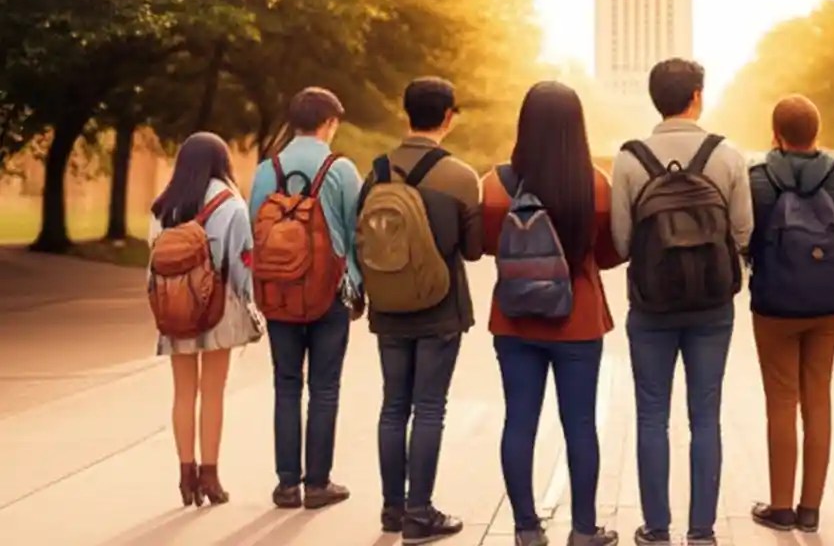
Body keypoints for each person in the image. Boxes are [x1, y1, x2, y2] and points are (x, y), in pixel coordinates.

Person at [611, 59, 753, 546]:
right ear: (697, 96)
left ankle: (655, 528)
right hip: (712, 307)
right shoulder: (727, 156)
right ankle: (702, 531)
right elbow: (743, 232)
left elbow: (623, 242)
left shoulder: (630, 159)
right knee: (704, 416)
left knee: (651, 415)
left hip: (651, 307)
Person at [482, 81, 626, 546]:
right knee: (580, 424)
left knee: (518, 420)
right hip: (577, 321)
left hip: (514, 319)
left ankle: (526, 528)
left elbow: (488, 246)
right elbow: (608, 253)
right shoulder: (596, 185)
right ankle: (584, 530)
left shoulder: (495, 185)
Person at [356, 77, 483, 542]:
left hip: (388, 307)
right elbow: (473, 252)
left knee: (394, 405)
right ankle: (420, 512)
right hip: (439, 308)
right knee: (430, 407)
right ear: (448, 116)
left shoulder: (377, 172)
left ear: (404, 112)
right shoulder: (461, 177)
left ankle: (392, 509)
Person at [249, 87, 364, 510]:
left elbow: (254, 231)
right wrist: (358, 282)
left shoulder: (267, 170)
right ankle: (318, 484)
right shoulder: (341, 169)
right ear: (329, 122)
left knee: (286, 385)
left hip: (279, 292)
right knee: (324, 387)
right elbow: (356, 231)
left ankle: (285, 485)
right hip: (329, 293)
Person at [746, 95, 834, 534]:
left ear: (775, 133)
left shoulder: (759, 176)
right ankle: (810, 508)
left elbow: (748, 238)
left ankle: (780, 507)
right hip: (827, 300)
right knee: (818, 398)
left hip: (775, 302)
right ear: (817, 132)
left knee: (781, 402)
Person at [149, 132, 265, 507]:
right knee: (212, 392)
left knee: (183, 393)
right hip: (219, 308)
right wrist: (250, 304)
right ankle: (211, 478)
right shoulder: (230, 204)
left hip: (175, 308)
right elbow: (244, 263)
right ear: (222, 163)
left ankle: (185, 477)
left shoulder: (162, 208)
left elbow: (152, 263)